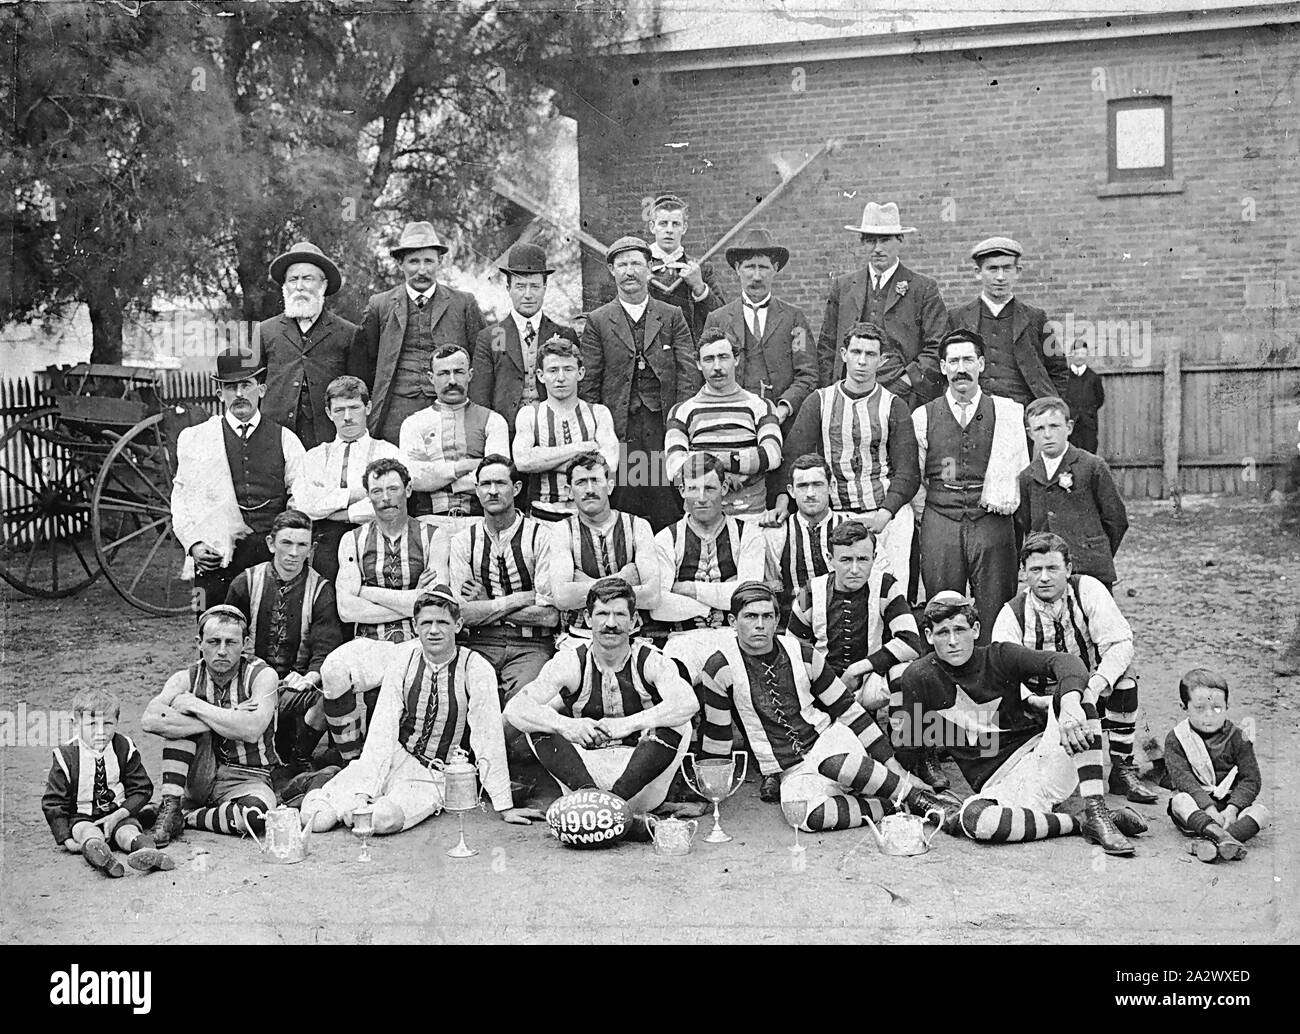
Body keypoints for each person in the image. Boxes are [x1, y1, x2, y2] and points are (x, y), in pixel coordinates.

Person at [894, 592, 1145, 853]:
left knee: (1077, 695)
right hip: (1005, 785)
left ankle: (1097, 811)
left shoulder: (998, 655)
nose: (953, 641)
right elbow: (908, 747)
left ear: (976, 629)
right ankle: (1078, 823)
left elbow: (1067, 662)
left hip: (1045, 757)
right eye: (943, 633)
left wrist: (1069, 704)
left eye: (960, 629)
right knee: (974, 819)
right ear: (928, 636)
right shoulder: (918, 676)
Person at [696, 582, 956, 832]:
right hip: (792, 769)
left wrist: (896, 769)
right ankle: (892, 805)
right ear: (733, 621)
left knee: (834, 764)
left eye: (767, 616)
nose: (760, 625)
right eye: (750, 617)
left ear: (777, 621)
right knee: (804, 817)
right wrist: (706, 794)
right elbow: (717, 736)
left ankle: (922, 801)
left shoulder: (802, 653)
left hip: (830, 742)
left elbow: (849, 711)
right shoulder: (720, 668)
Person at [302, 587, 542, 835]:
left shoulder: (476, 669)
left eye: (442, 622)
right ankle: (322, 784)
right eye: (426, 623)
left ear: (458, 625)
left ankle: (358, 798)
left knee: (383, 820)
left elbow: (488, 737)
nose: (434, 630)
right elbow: (383, 730)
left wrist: (505, 806)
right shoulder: (403, 662)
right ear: (415, 626)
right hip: (394, 756)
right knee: (316, 818)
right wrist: (364, 788)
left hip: (434, 775)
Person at [503, 577, 698, 816]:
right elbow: (516, 708)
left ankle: (608, 809)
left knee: (678, 720)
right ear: (587, 619)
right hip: (583, 775)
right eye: (602, 614)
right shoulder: (571, 661)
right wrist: (567, 726)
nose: (611, 623)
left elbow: (688, 703)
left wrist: (625, 725)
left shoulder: (651, 660)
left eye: (620, 615)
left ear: (635, 621)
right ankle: (607, 810)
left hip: (640, 778)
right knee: (538, 720)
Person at [991, 532, 1156, 803]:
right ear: (1023, 574)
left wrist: (1094, 686)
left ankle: (1121, 769)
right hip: (1040, 704)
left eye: (1052, 568)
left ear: (1068, 569)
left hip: (1090, 691)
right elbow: (999, 670)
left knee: (1125, 678)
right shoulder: (1012, 612)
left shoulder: (1087, 589)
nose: (1044, 577)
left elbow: (1120, 644)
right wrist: (1034, 700)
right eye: (1035, 569)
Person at [775, 322, 920, 589]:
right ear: (843, 354)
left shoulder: (893, 406)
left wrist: (886, 512)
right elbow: (794, 457)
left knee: (890, 589)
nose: (862, 361)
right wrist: (784, 501)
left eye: (870, 354)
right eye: (856, 352)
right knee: (837, 591)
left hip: (885, 514)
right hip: (836, 514)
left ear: (882, 360)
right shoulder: (819, 401)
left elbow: (908, 473)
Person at [320, 458, 440, 764]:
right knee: (332, 671)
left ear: (409, 489)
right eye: (376, 491)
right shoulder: (353, 539)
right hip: (371, 643)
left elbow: (436, 603)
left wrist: (367, 591)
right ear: (368, 496)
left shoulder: (433, 536)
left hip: (420, 643)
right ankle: (352, 761)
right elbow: (347, 610)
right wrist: (412, 599)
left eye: (393, 489)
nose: (385, 498)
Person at [911, 329, 1027, 644]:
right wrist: (930, 513)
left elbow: (1020, 472)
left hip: (991, 518)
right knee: (943, 606)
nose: (961, 368)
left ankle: (996, 677)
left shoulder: (1006, 413)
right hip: (941, 521)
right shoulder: (923, 416)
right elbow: (914, 475)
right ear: (943, 367)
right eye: (954, 361)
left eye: (968, 360)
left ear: (981, 363)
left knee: (998, 607)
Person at [171, 350, 306, 613]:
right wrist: (193, 544)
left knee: (272, 632)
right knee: (210, 627)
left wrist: (286, 543)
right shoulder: (197, 439)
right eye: (231, 387)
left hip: (271, 553)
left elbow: (300, 497)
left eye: (247, 385)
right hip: (217, 554)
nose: (240, 394)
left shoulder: (286, 439)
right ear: (220, 394)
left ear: (262, 389)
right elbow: (181, 499)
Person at [579, 235, 698, 531]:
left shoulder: (671, 316)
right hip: (622, 431)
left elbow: (687, 372)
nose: (629, 271)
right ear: (612, 271)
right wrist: (600, 432)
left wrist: (677, 423)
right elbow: (590, 382)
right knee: (625, 506)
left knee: (666, 503)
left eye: (636, 264)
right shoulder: (599, 321)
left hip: (661, 428)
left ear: (649, 269)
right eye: (622, 265)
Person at [448, 456, 558, 770]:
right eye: (485, 484)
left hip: (532, 646)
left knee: (524, 703)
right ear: (477, 490)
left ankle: (499, 772)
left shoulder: (541, 536)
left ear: (516, 488)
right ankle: (484, 771)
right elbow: (462, 615)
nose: (493, 491)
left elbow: (549, 616)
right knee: (466, 694)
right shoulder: (463, 541)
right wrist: (516, 600)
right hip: (480, 643)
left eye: (500, 483)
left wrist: (487, 603)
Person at [142, 605, 280, 846]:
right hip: (201, 775)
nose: (223, 651)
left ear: (245, 643)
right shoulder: (186, 677)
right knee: (175, 728)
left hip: (249, 777)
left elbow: (251, 729)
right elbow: (150, 719)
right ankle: (172, 803)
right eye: (214, 642)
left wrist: (194, 705)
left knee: (256, 817)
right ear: (199, 643)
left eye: (231, 642)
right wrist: (227, 718)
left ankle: (186, 816)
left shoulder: (262, 676)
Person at [225, 509, 345, 779]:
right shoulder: (245, 582)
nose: (293, 552)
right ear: (271, 544)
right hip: (249, 688)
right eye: (286, 543)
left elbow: (326, 647)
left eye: (301, 545)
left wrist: (309, 677)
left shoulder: (321, 589)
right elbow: (226, 640)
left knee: (333, 695)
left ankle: (298, 759)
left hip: (293, 689)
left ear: (311, 548)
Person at [352, 221, 487, 444]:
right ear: (400, 264)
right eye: (414, 261)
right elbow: (364, 361)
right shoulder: (380, 305)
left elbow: (481, 361)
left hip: (451, 407)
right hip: (395, 411)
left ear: (440, 262)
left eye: (428, 261)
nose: (422, 270)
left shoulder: (463, 303)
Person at [816, 201, 946, 406]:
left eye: (885, 240)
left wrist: (908, 381)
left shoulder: (923, 288)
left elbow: (937, 346)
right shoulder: (843, 286)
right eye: (870, 240)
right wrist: (832, 390)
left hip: (902, 394)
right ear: (862, 242)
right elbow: (827, 345)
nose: (877, 248)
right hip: (848, 393)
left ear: (900, 239)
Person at [649, 453, 765, 678]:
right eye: (693, 489)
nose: (701, 497)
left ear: (723, 488)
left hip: (736, 637)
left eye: (709, 488)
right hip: (683, 640)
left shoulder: (748, 534)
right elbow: (658, 607)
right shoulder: (666, 538)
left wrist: (689, 589)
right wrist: (709, 607)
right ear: (682, 491)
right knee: (675, 682)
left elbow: (751, 597)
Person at [787, 520, 922, 710]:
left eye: (863, 559)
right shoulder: (806, 592)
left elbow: (911, 642)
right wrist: (825, 685)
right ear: (830, 559)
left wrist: (856, 670)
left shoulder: (886, 585)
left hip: (868, 682)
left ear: (874, 557)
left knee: (906, 673)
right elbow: (792, 650)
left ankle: (898, 736)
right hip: (822, 689)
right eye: (845, 560)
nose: (855, 569)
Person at [42, 687, 173, 878]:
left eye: (108, 723)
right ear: (76, 723)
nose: (101, 732)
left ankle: (148, 853)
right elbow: (53, 801)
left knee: (127, 831)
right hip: (83, 816)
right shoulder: (67, 756)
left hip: (118, 813)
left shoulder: (123, 747)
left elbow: (142, 788)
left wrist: (119, 814)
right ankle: (105, 860)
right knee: (86, 831)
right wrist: (66, 838)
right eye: (92, 724)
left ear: (117, 722)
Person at [701, 227, 817, 434]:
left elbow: (808, 374)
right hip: (732, 422)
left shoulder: (794, 319)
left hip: (784, 424)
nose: (756, 276)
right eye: (749, 267)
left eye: (763, 267)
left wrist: (783, 410)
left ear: (775, 268)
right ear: (737, 268)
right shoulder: (717, 319)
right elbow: (705, 371)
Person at [290, 375, 406, 581]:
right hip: (327, 544)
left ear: (368, 407)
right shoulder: (314, 456)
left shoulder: (387, 452)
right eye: (339, 410)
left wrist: (339, 511)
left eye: (354, 408)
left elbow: (389, 504)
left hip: (375, 540)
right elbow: (305, 504)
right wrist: (354, 494)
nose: (347, 417)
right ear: (328, 413)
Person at [664, 327, 783, 518]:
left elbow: (772, 455)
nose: (717, 366)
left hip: (750, 515)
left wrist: (706, 462)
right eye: (709, 359)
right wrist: (727, 473)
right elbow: (675, 468)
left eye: (723, 357)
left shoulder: (761, 406)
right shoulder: (682, 411)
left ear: (736, 359)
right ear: (698, 364)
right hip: (699, 518)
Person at [546, 453, 661, 647]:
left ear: (610, 485)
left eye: (596, 481)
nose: (589, 489)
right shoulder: (562, 530)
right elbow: (562, 598)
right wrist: (622, 580)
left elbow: (651, 597)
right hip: (580, 638)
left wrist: (586, 585)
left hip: (631, 636)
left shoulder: (637, 526)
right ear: (568, 491)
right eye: (581, 482)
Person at [1016, 396, 1128, 590]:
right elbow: (1026, 523)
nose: (1048, 434)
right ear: (1030, 433)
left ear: (1069, 427)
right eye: (1039, 429)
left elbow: (1115, 519)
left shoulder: (1092, 466)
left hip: (1089, 568)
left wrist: (1094, 550)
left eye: (1054, 426)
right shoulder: (1028, 476)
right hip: (1048, 574)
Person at [256, 240, 357, 451]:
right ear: (285, 286)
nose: (299, 286)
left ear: (323, 285)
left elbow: (357, 390)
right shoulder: (265, 331)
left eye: (307, 279)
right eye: (293, 279)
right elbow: (254, 386)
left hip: (328, 437)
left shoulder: (347, 333)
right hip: (276, 435)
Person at [399, 344, 510, 532]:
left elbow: (496, 476)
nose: (451, 380)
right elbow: (413, 478)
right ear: (430, 378)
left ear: (470, 375)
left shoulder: (493, 420)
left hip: (481, 522)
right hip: (428, 522)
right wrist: (465, 466)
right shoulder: (414, 423)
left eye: (458, 372)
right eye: (443, 373)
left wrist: (436, 479)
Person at [1164, 668, 1270, 863]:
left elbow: (1251, 779)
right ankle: (1222, 838)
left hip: (1231, 810)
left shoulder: (1239, 737)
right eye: (1200, 708)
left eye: (1217, 708)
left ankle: (1212, 843)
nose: (1209, 715)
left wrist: (1232, 809)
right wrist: (1209, 809)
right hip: (1197, 810)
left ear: (1227, 705)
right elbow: (1184, 780)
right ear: (1184, 706)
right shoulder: (1177, 738)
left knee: (1262, 812)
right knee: (1179, 800)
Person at [947, 237, 1067, 407]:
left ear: (1018, 271)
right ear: (977, 272)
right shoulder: (957, 318)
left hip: (1024, 412)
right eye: (993, 269)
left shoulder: (1036, 318)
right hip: (973, 411)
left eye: (1007, 269)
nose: (1000, 277)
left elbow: (1058, 369)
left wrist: (1048, 407)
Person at [511, 336, 619, 522]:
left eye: (568, 369)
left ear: (580, 373)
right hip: (542, 517)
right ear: (540, 375)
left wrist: (543, 459)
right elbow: (523, 462)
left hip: (589, 517)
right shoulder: (529, 414)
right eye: (553, 370)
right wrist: (583, 449)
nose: (560, 377)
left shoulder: (599, 413)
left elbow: (608, 465)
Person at [469, 242, 579, 422]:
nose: (528, 295)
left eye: (535, 287)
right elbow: (480, 397)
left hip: (554, 428)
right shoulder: (491, 337)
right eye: (520, 287)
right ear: (508, 289)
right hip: (506, 431)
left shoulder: (565, 335)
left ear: (545, 288)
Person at [761, 455, 848, 627]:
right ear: (791, 491)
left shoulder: (850, 527)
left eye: (817, 484)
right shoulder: (777, 534)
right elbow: (772, 589)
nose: (810, 493)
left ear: (831, 487)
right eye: (802, 486)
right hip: (796, 625)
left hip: (846, 623)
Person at [645, 193, 725, 343]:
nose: (669, 230)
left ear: (684, 228)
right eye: (663, 223)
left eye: (675, 224)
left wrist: (699, 287)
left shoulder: (700, 268)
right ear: (652, 227)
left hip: (689, 352)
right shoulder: (639, 267)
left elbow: (721, 316)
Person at [1063, 341, 1105, 455]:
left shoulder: (1094, 377)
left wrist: (1088, 413)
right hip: (1069, 425)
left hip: (1088, 426)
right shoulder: (1064, 377)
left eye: (1083, 353)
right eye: (1077, 353)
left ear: (1087, 355)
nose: (1080, 357)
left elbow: (1099, 399)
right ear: (1071, 355)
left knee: (1089, 455)